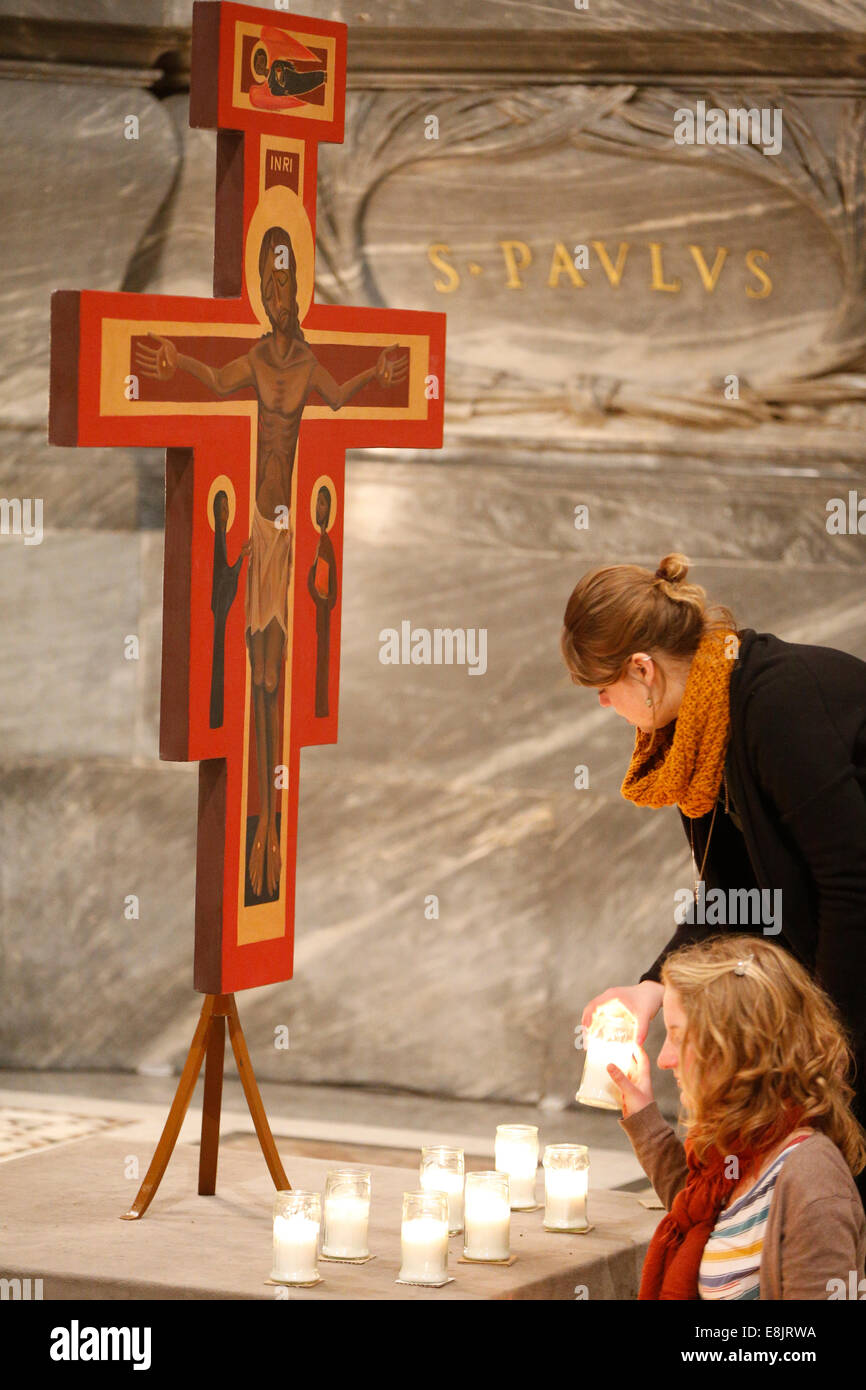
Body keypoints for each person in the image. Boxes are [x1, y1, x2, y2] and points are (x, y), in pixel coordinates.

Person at [561, 552, 866, 1207]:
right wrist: (650, 988)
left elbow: (851, 885)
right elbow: (732, 892)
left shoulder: (775, 703)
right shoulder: (700, 733)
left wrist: (830, 1053)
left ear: (642, 670)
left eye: (604, 689)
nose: (605, 705)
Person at [136, 228, 407, 899]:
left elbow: (342, 398)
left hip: (293, 533)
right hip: (258, 526)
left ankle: (270, 835)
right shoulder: (256, 360)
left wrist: (380, 373)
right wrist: (173, 363)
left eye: (291, 284)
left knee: (279, 675)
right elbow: (215, 380)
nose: (283, 296)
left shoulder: (310, 363)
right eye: (274, 284)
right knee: (261, 673)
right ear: (262, 289)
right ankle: (260, 832)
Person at [607, 935, 866, 1300]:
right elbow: (700, 1211)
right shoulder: (742, 1149)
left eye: (678, 1037)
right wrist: (642, 1117)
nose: (664, 1059)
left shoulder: (811, 1176)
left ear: (737, 1047)